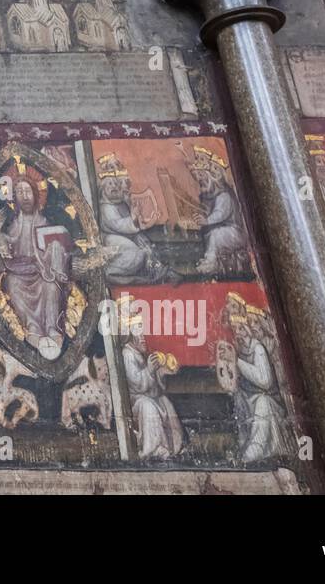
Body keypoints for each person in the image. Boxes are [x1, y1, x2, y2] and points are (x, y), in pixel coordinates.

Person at [0, 165, 70, 360]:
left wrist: (54, 253)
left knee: (51, 286)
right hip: (19, 272)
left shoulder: (44, 222)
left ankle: (52, 328)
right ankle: (33, 327)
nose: (25, 196)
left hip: (43, 272)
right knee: (12, 284)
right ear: (15, 199)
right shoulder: (14, 225)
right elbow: (6, 249)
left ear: (36, 195)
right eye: (19, 192)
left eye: (28, 191)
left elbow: (57, 245)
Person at [95, 153, 175, 283]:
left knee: (145, 243)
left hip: (126, 234)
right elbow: (117, 224)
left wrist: (141, 219)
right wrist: (132, 218)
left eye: (115, 184)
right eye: (110, 184)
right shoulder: (106, 207)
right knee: (134, 253)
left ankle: (155, 271)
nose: (114, 187)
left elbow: (132, 223)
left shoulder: (120, 201)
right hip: (110, 238)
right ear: (103, 189)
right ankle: (113, 273)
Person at [231, 307, 294, 461]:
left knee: (262, 403)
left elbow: (265, 381)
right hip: (249, 398)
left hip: (268, 400)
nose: (237, 333)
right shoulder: (242, 349)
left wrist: (237, 362)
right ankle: (246, 448)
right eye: (235, 329)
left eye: (241, 328)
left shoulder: (258, 349)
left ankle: (255, 451)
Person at [120, 313, 184, 458]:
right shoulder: (127, 354)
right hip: (134, 402)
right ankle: (153, 449)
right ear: (130, 334)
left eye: (144, 333)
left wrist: (160, 373)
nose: (143, 337)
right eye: (138, 332)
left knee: (165, 401)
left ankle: (174, 445)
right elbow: (137, 385)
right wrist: (149, 370)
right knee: (147, 406)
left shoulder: (140, 354)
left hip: (146, 396)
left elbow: (154, 387)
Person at [187, 147, 248, 275]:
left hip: (234, 233)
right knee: (212, 233)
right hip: (225, 231)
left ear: (211, 178)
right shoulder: (211, 196)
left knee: (215, 234)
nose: (199, 181)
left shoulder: (224, 195)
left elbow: (220, 214)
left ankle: (210, 264)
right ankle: (208, 260)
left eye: (202, 178)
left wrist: (206, 220)